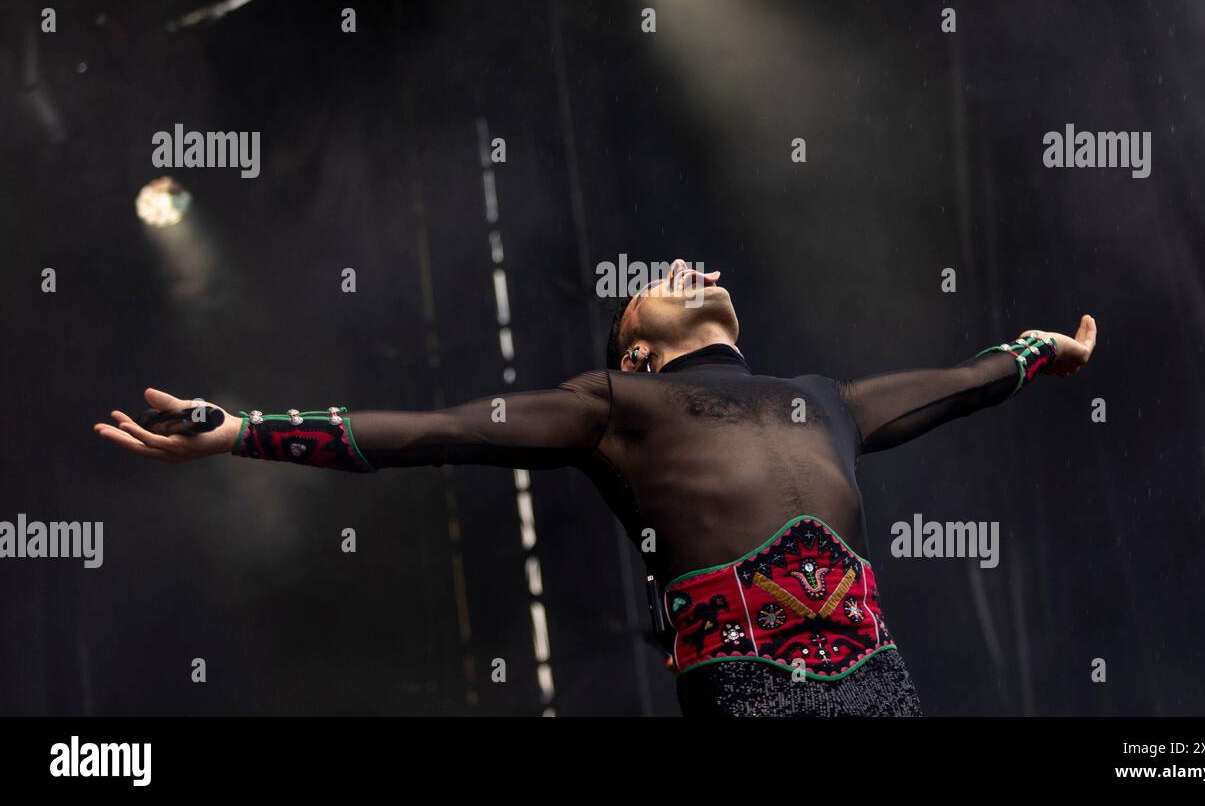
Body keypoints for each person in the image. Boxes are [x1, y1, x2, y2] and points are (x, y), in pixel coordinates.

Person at [95, 258, 1098, 716]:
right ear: (635, 349)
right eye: (657, 279)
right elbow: (437, 430)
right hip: (752, 692)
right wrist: (243, 430)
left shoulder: (821, 397)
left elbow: (962, 382)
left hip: (885, 690)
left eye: (691, 267)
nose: (685, 267)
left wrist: (1032, 350)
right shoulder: (615, 404)